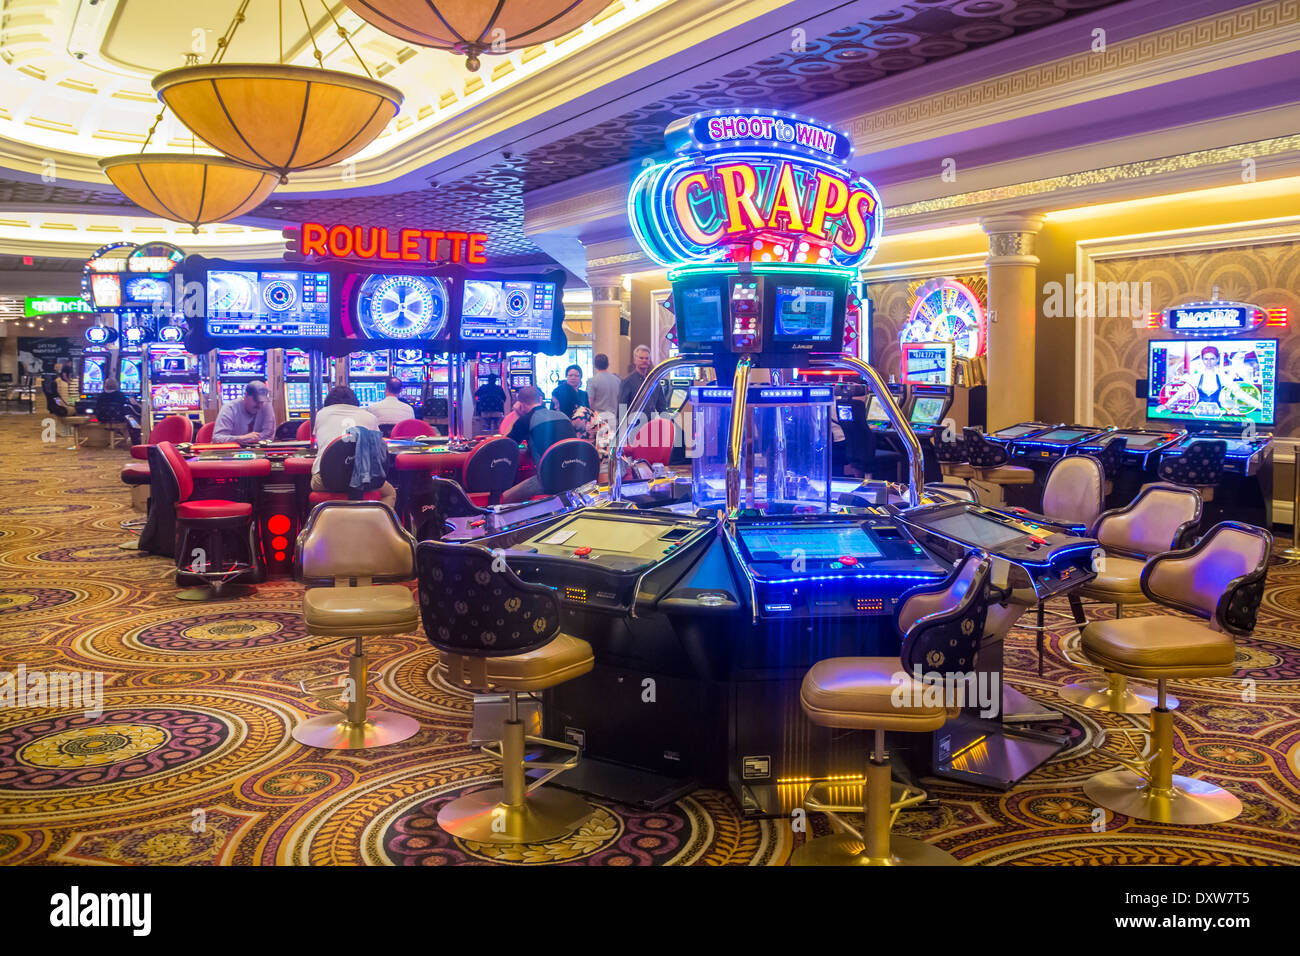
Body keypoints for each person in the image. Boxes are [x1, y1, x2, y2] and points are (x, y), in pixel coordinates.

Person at [311, 386, 397, 509]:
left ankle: (318, 523)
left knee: (310, 482)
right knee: (390, 493)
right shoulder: (369, 416)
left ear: (328, 402)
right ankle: (377, 525)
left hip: (326, 480)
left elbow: (321, 447)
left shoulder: (321, 414)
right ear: (355, 401)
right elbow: (377, 447)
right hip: (364, 479)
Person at [213, 380, 276, 445]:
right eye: (256, 401)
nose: (259, 405)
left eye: (262, 402)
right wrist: (242, 438)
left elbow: (269, 436)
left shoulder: (265, 406)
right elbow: (217, 438)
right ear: (246, 395)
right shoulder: (230, 409)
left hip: (258, 451)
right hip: (233, 452)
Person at [618, 344, 668, 416]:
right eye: (641, 358)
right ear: (635, 360)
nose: (644, 360)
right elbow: (622, 409)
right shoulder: (627, 382)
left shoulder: (654, 381)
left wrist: (669, 423)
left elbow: (661, 407)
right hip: (634, 425)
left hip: (651, 424)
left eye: (647, 358)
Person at [93, 378, 142, 445]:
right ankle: (135, 441)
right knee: (131, 419)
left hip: (103, 418)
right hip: (118, 418)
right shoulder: (120, 395)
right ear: (116, 385)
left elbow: (97, 408)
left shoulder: (100, 396)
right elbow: (130, 405)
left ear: (105, 386)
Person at [586, 353, 621, 421]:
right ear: (608, 364)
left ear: (595, 365)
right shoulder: (617, 380)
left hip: (599, 419)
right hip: (614, 418)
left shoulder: (592, 381)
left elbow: (590, 402)